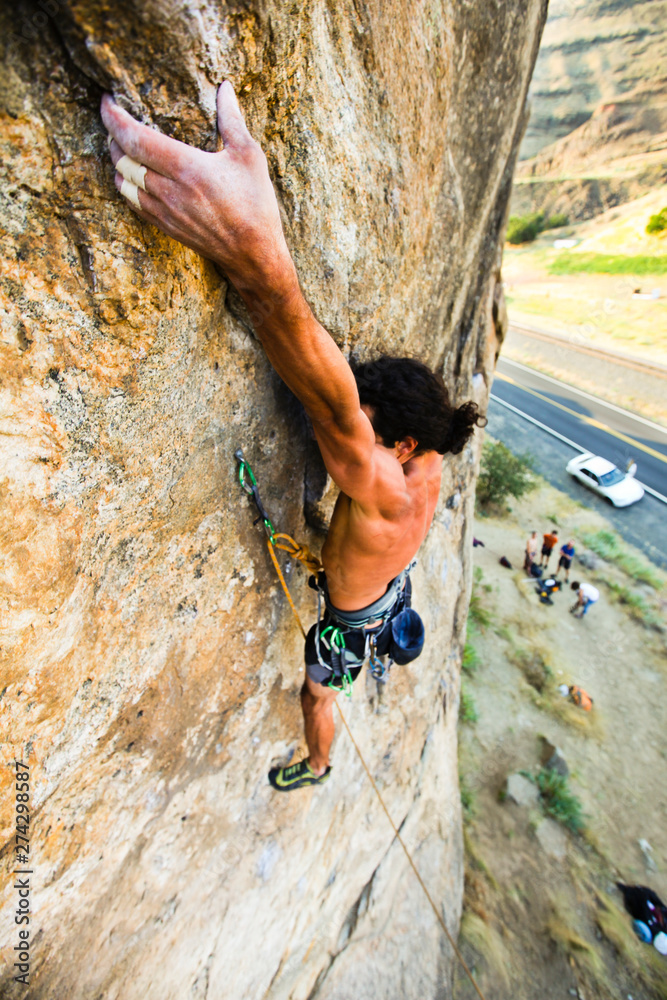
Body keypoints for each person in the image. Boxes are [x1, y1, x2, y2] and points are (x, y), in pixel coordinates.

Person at [100, 84, 486, 792]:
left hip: (356, 618)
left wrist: (253, 254)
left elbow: (334, 407)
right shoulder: (431, 451)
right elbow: (341, 399)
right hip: (385, 583)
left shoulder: (386, 484)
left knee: (317, 693)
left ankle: (317, 763)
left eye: (369, 431)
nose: (347, 428)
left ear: (397, 448)